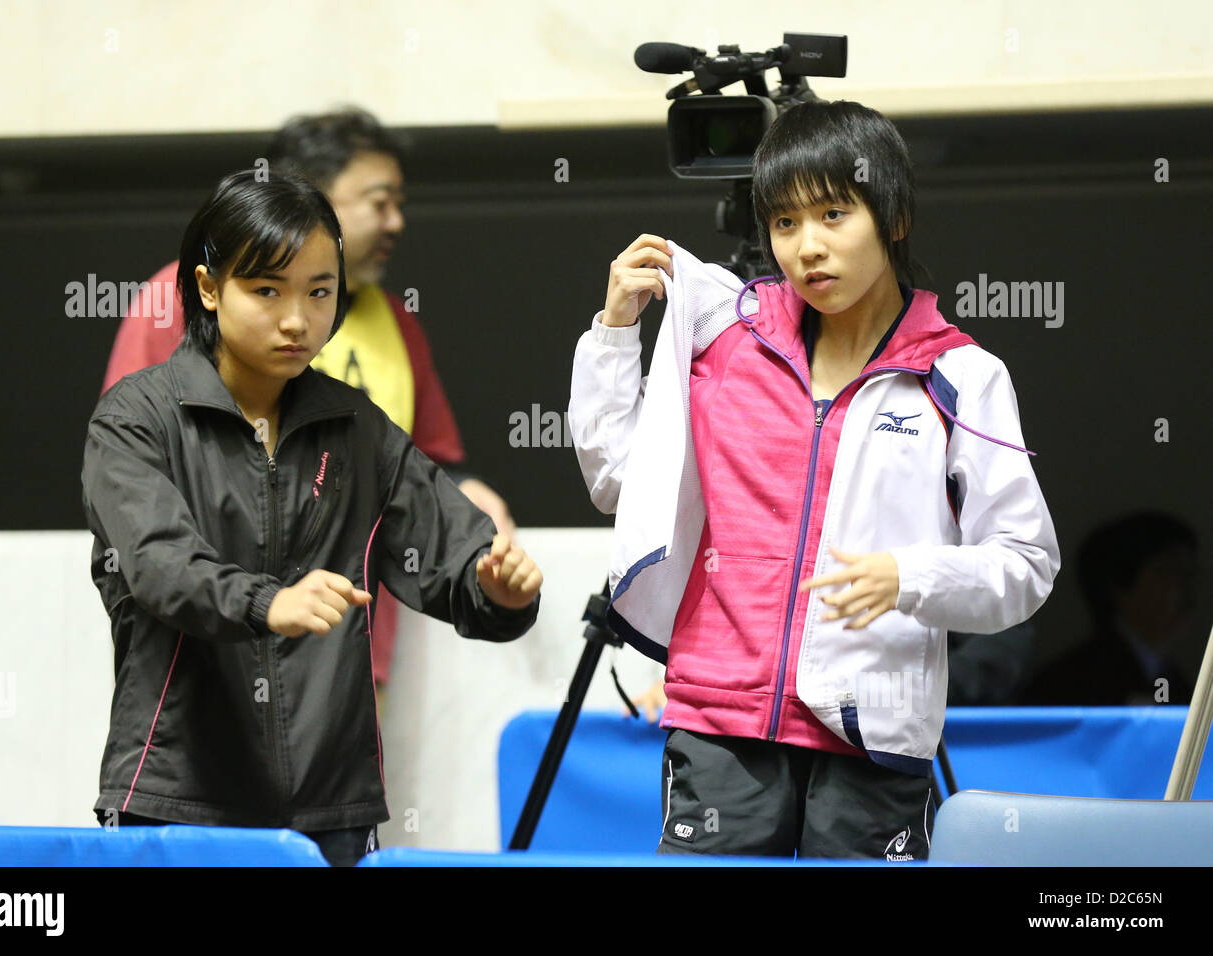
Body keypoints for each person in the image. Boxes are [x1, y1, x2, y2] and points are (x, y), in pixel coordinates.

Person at [569, 100, 1059, 860]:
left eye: (835, 214)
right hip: (717, 718)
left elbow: (1027, 566)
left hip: (871, 729)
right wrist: (612, 335)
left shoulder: (961, 375)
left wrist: (909, 576)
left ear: (892, 217)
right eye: (787, 223)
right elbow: (619, 485)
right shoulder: (723, 344)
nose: (809, 247)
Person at [83, 170, 542, 867]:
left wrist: (498, 592)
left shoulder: (356, 427)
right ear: (208, 288)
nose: (297, 319)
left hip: (331, 807)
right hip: (175, 793)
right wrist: (270, 602)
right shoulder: (136, 418)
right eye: (267, 290)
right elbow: (158, 567)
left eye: (319, 292)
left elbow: (454, 558)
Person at [100, 108, 516, 701]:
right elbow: (131, 483)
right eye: (379, 200)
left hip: (344, 652)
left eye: (319, 295)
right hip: (203, 660)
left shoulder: (395, 321)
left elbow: (426, 470)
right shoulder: (176, 301)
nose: (396, 221)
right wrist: (258, 599)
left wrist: (475, 521)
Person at [1020, 511, 1198, 705]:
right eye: (1167, 572)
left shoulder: (1172, 677)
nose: (1184, 588)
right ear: (1118, 586)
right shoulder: (1074, 681)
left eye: (1190, 575)